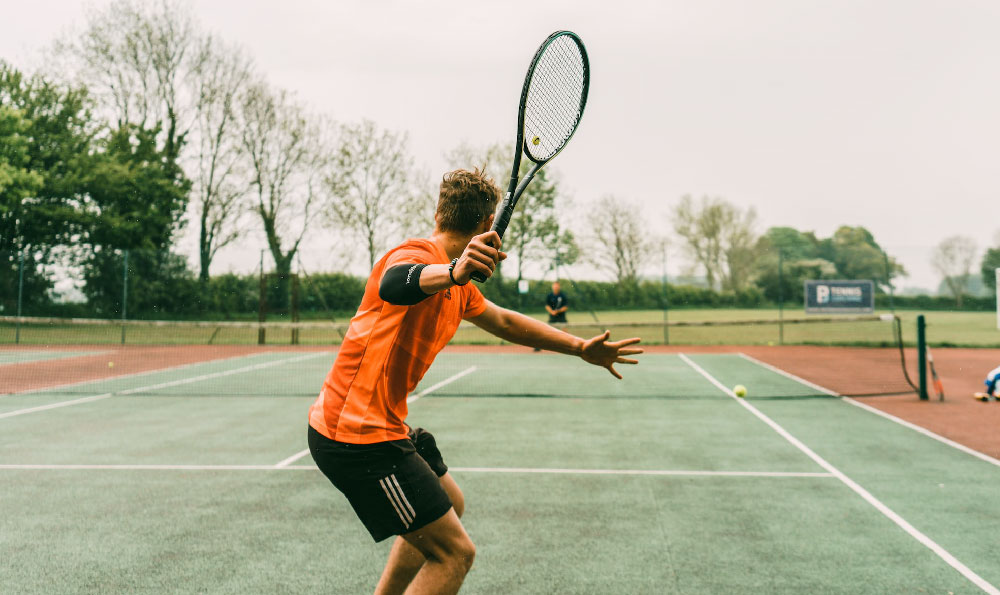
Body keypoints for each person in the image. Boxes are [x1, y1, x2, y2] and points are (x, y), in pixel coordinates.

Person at [307, 168, 642, 595]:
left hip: (378, 423)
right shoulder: (414, 255)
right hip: (353, 437)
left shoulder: (462, 286)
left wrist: (580, 347)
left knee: (453, 504)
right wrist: (452, 270)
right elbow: (397, 283)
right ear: (487, 225)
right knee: (455, 554)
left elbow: (503, 319)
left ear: (438, 212)